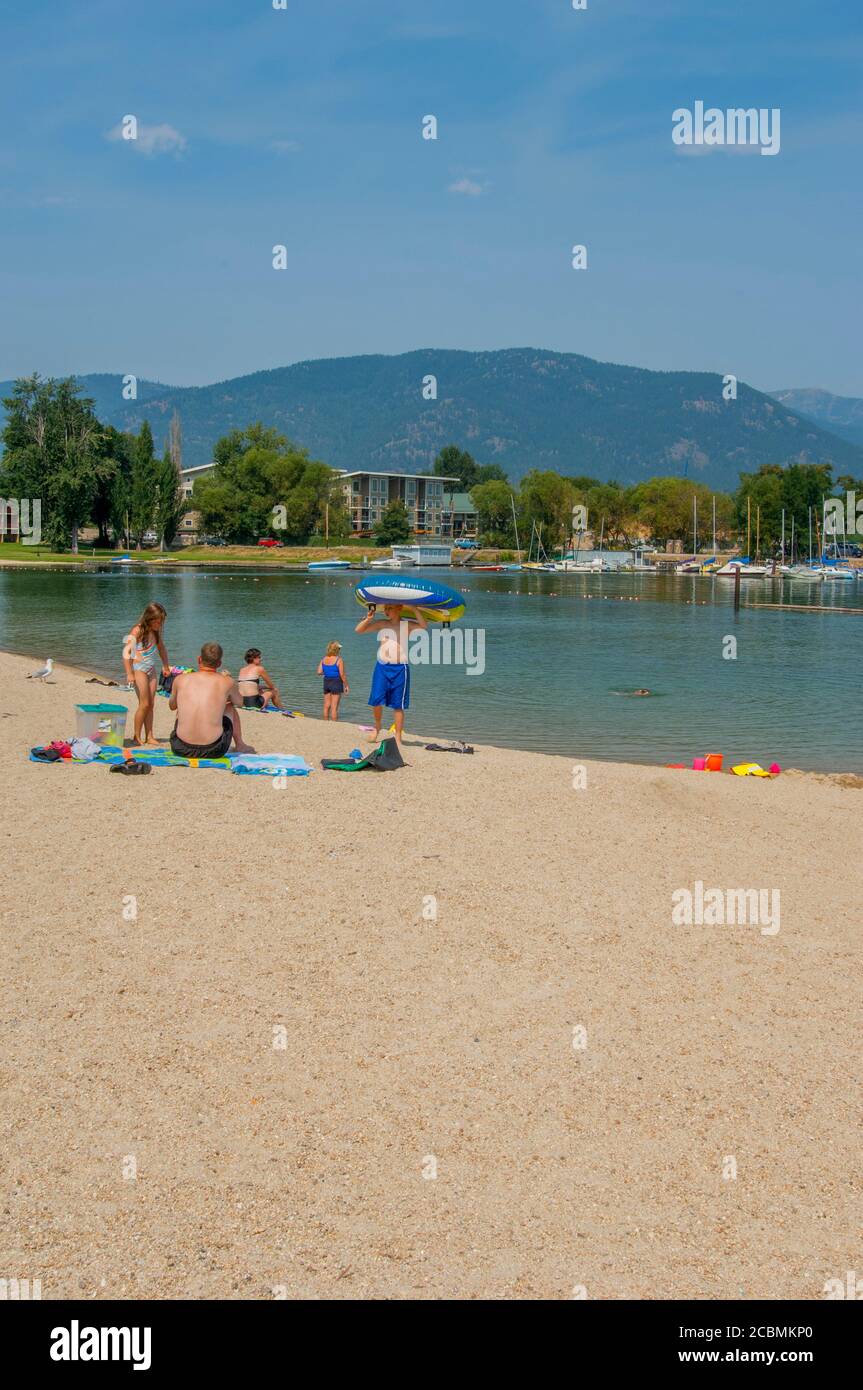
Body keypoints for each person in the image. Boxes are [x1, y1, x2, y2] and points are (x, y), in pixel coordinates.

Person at [355, 603, 427, 743]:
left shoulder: (407, 625)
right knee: (376, 700)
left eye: (389, 608)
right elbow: (359, 630)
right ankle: (377, 727)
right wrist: (368, 619)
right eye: (385, 609)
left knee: (398, 705)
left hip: (400, 668)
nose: (386, 611)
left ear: (399, 608)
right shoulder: (382, 624)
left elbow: (423, 626)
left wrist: (414, 608)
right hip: (382, 667)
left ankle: (398, 736)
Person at [168, 642, 254, 758]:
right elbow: (240, 702)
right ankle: (240, 744)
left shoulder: (180, 679)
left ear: (199, 659)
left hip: (180, 748)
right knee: (229, 706)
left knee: (181, 707)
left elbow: (172, 706)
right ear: (219, 663)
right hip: (214, 749)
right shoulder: (227, 681)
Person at [122, 603, 170, 746]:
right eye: (156, 621)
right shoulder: (137, 630)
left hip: (151, 669)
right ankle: (136, 736)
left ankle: (149, 735)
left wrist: (166, 665)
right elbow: (126, 653)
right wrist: (129, 673)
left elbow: (162, 649)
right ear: (148, 618)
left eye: (161, 621)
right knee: (144, 704)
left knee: (151, 704)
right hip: (138, 669)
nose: (159, 624)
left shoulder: (155, 632)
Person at [317, 640, 349, 720]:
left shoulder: (324, 659)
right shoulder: (339, 660)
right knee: (334, 707)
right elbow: (342, 674)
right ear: (336, 650)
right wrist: (346, 685)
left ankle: (325, 721)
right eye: (339, 649)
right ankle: (334, 724)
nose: (339, 650)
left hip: (326, 682)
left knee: (326, 705)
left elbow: (319, 672)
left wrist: (328, 672)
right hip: (336, 682)